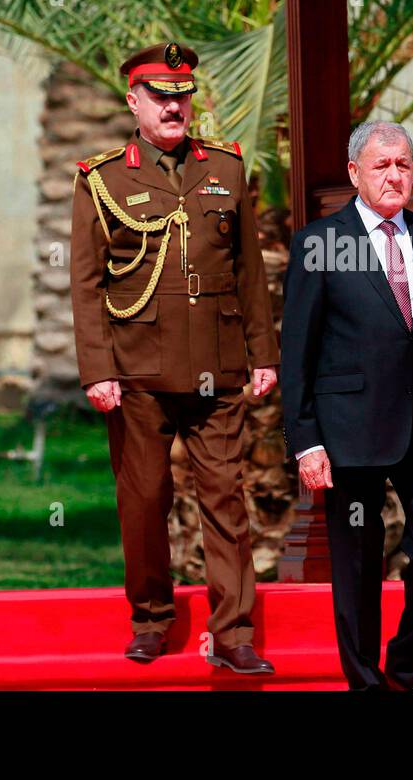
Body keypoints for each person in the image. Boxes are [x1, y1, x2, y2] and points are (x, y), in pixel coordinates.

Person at [70, 41, 279, 675]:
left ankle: (235, 633)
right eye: (159, 97)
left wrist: (263, 354)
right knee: (144, 499)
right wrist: (97, 369)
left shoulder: (227, 169)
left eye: (182, 97)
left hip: (218, 367)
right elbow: (86, 284)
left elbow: (249, 274)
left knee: (226, 498)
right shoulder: (101, 179)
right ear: (132, 102)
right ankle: (151, 620)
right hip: (136, 373)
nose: (173, 107)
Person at [280, 121, 413, 690]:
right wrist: (306, 440)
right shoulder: (320, 243)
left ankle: (409, 664)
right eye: (381, 166)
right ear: (354, 173)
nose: (394, 176)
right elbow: (297, 352)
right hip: (349, 434)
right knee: (359, 565)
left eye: (404, 166)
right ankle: (366, 683)